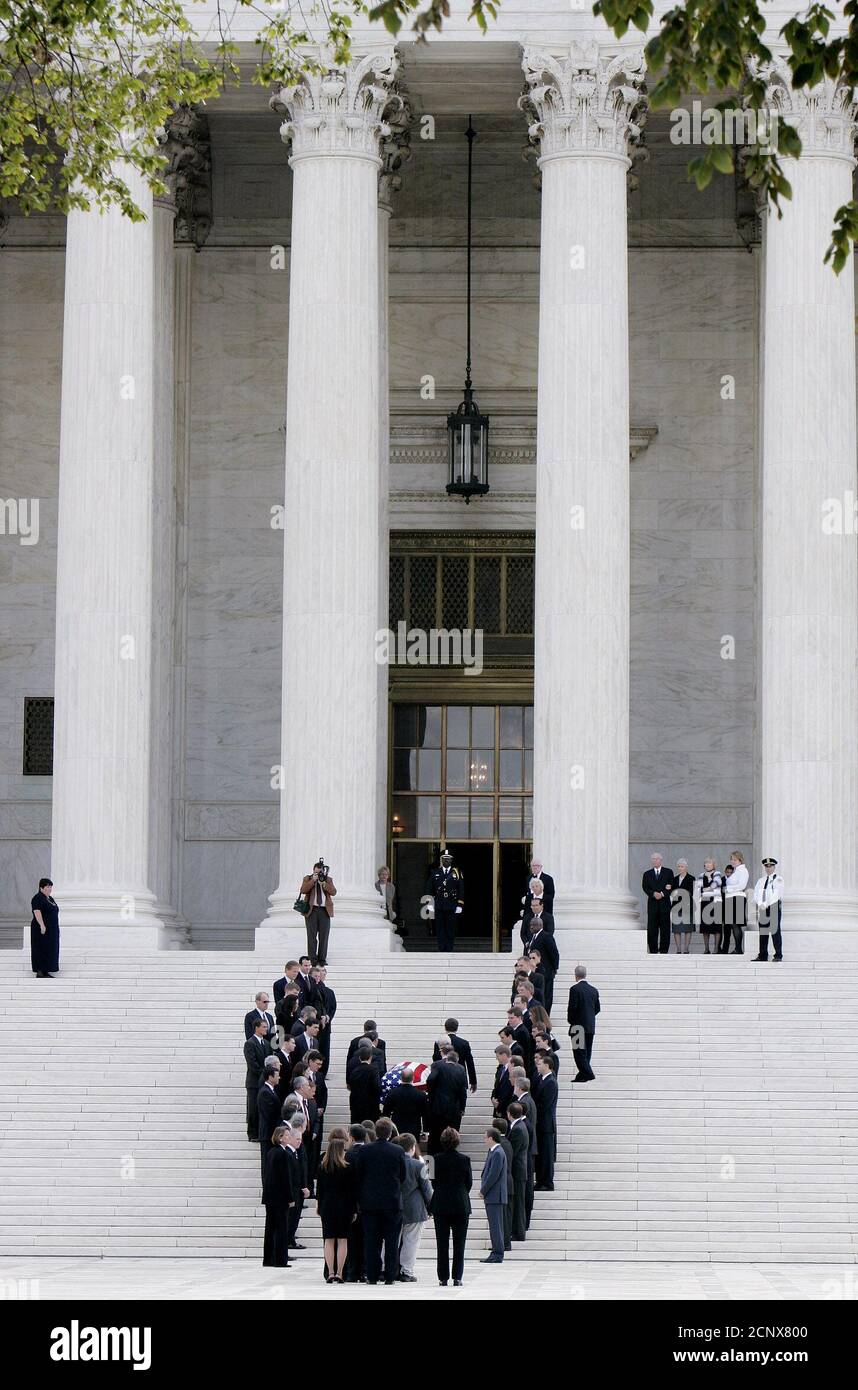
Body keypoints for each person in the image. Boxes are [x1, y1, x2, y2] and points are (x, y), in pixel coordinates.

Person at [351, 1116, 407, 1285]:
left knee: (371, 1241)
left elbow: (358, 1175)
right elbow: (402, 1176)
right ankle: (390, 1276)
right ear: (390, 1133)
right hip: (392, 1202)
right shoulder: (398, 1151)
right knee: (391, 1242)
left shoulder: (365, 1150)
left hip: (370, 1203)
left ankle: (373, 1275)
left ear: (375, 1132)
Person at [431, 1127, 472, 1286]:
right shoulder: (465, 1159)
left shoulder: (434, 1159)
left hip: (441, 1203)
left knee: (442, 1243)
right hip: (460, 1203)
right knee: (459, 1243)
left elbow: (433, 1182)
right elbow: (468, 1183)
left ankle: (443, 1277)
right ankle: (457, 1277)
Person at [316, 1128, 357, 1283]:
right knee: (342, 1240)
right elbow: (352, 1191)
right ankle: (340, 1272)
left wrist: (319, 1206)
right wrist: (354, 1209)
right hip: (344, 1207)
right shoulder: (348, 1167)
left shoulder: (322, 1166)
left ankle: (330, 1272)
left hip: (327, 1206)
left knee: (328, 1240)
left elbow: (319, 1190)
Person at [394, 1133, 433, 1281]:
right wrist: (431, 1207)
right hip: (414, 1209)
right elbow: (427, 1189)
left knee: (391, 1240)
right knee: (411, 1241)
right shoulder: (419, 1165)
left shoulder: (393, 1163)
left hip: (394, 1207)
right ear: (412, 1148)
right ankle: (407, 1271)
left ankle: (386, 1268)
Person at [262, 1125, 295, 1267]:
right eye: (287, 1135)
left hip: (270, 1196)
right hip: (280, 1197)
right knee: (281, 1228)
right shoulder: (283, 1154)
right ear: (280, 1137)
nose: (289, 1137)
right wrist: (290, 1198)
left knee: (270, 1228)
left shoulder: (271, 1152)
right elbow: (285, 1178)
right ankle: (281, 1260)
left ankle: (268, 1258)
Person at [426, 1047, 468, 1154]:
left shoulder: (437, 1065)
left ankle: (432, 1162)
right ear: (456, 1060)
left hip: (438, 1107)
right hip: (454, 1109)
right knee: (451, 1138)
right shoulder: (461, 1069)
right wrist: (462, 1108)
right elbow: (463, 1092)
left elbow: (430, 1080)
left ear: (446, 1058)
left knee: (435, 1136)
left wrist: (431, 1095)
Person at [299, 859, 337, 966]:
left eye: (320, 872)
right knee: (311, 936)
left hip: (325, 910)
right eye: (316, 872)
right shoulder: (308, 878)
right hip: (312, 910)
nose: (318, 874)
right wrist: (313, 881)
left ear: (323, 871)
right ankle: (313, 959)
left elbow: (333, 892)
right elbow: (303, 890)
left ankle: (322, 959)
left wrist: (323, 884)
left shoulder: (328, 879)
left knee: (324, 936)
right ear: (313, 870)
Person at [425, 849, 464, 952]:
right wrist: (429, 902)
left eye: (448, 859)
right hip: (439, 904)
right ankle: (442, 948)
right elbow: (429, 888)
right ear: (441, 860)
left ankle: (449, 948)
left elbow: (461, 889)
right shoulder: (435, 872)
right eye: (444, 859)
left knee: (450, 928)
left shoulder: (456, 873)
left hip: (452, 904)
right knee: (440, 928)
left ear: (451, 860)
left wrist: (460, 904)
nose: (446, 861)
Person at [567, 964, 600, 1082]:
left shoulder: (574, 989)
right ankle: (583, 1074)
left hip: (578, 1026)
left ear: (576, 976)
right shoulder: (593, 990)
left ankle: (588, 1073)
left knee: (579, 1052)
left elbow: (572, 1007)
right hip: (590, 1026)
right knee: (587, 1052)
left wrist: (571, 1020)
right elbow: (597, 1008)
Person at [479, 1128, 508, 1263]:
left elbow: (493, 1175)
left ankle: (497, 1253)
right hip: (494, 1195)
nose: (484, 1140)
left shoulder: (497, 1153)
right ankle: (496, 1251)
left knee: (495, 1225)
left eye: (485, 1137)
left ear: (491, 1138)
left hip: (495, 1195)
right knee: (495, 1224)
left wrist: (483, 1190)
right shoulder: (494, 1151)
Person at [512, 1073, 537, 1227]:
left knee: (524, 1193)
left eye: (515, 1085)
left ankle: (523, 1223)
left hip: (525, 1154)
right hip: (527, 1152)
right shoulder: (526, 1101)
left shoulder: (525, 1103)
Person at [525, 907, 559, 1011]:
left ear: (540, 925)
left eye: (533, 925)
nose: (530, 927)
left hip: (546, 971)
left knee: (547, 995)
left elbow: (554, 953)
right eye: (530, 925)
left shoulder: (546, 937)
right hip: (536, 971)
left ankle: (545, 1015)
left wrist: (554, 969)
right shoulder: (533, 937)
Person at [284, 1116, 311, 1250]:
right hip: (294, 1190)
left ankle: (290, 1240)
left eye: (300, 1140)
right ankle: (288, 1240)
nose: (299, 1142)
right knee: (291, 1217)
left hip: (297, 1189)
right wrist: (303, 1186)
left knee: (295, 1217)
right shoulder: (289, 1153)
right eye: (297, 1140)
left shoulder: (295, 1150)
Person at [243, 1017, 271, 1141]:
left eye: (266, 1027)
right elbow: (252, 1064)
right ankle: (252, 1133)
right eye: (264, 1027)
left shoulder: (266, 1043)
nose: (266, 1029)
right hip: (254, 1082)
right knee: (253, 1108)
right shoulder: (250, 1043)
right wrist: (265, 1074)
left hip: (264, 1081)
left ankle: (260, 1132)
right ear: (257, 1027)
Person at [533, 1054, 558, 1190]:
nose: (537, 1065)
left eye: (540, 1064)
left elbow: (544, 1104)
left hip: (546, 1125)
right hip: (541, 1125)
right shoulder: (542, 1079)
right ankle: (541, 1181)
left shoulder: (550, 1082)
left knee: (546, 1155)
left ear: (547, 1065)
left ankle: (547, 1182)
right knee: (541, 1155)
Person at [432, 1018, 477, 1092]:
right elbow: (470, 1063)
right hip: (459, 1077)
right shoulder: (464, 1043)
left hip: (443, 1078)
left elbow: (435, 1060)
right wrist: (473, 1082)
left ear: (445, 1027)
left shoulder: (439, 1042)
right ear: (457, 1028)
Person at [383, 1068, 429, 1139]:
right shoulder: (421, 1095)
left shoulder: (392, 1093)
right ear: (413, 1078)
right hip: (414, 1129)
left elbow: (386, 1112)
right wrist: (425, 1131)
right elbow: (425, 1114)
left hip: (397, 1128)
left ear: (401, 1078)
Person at [642, 853, 674, 954]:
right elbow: (645, 887)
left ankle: (664, 950)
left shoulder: (668, 872)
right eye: (653, 859)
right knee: (652, 928)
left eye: (657, 859)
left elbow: (671, 886)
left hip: (664, 905)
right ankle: (653, 950)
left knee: (665, 928)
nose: (655, 861)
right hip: (652, 905)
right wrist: (653, 894)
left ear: (661, 860)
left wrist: (662, 894)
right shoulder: (647, 874)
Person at [754, 857, 784, 961]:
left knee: (775, 932)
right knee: (763, 932)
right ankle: (762, 955)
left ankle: (778, 955)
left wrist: (766, 904)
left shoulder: (778, 879)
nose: (768, 868)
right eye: (766, 866)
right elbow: (756, 894)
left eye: (770, 866)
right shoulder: (761, 880)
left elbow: (777, 894)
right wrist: (760, 904)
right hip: (763, 908)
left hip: (774, 907)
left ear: (774, 866)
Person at [506, 1102, 529, 1241]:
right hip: (519, 1170)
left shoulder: (518, 1129)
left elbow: (512, 1151)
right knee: (518, 1201)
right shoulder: (518, 1126)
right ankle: (517, 1230)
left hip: (518, 1171)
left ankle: (519, 1232)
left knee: (519, 1203)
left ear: (509, 1114)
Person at [257, 1057, 283, 1177]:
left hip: (271, 1133)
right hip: (268, 1134)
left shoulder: (271, 1090)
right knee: (267, 1164)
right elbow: (269, 1115)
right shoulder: (265, 1092)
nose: (279, 1077)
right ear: (270, 1077)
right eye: (277, 1075)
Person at [493, 1118, 515, 1252]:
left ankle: (505, 1243)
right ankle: (502, 1242)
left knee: (504, 1217)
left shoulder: (502, 1145)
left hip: (504, 1184)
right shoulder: (505, 1143)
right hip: (506, 1183)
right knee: (503, 1216)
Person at [30, 877, 60, 978]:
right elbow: (37, 911)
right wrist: (42, 925)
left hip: (52, 929)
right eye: (48, 886)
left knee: (50, 949)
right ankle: (40, 971)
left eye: (51, 886)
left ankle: (46, 970)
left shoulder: (50, 899)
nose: (50, 888)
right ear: (41, 888)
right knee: (41, 948)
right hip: (41, 929)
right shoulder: (37, 898)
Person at [695, 859, 723, 954]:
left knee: (717, 926)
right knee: (705, 927)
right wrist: (707, 888)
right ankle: (706, 948)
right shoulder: (701, 875)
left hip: (716, 902)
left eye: (710, 863)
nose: (707, 864)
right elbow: (699, 887)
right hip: (705, 902)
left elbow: (717, 883)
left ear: (714, 865)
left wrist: (708, 887)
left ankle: (716, 948)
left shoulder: (717, 873)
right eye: (706, 863)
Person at [723, 851, 749, 954]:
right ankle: (737, 948)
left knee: (735, 924)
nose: (732, 861)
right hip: (731, 898)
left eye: (734, 859)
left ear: (740, 860)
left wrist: (728, 888)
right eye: (731, 859)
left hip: (737, 898)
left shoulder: (743, 870)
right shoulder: (735, 871)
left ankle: (738, 948)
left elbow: (742, 886)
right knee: (733, 924)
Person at [312, 965, 336, 1074]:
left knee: (325, 1050)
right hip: (315, 1025)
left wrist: (327, 1017)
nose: (321, 974)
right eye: (318, 972)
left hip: (326, 1025)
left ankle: (323, 1071)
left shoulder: (329, 992)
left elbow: (332, 1008)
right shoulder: (311, 989)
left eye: (322, 972)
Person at [348, 1045, 382, 1124]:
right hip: (371, 1106)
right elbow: (377, 1087)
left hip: (356, 1106)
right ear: (370, 1057)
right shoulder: (373, 1070)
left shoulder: (355, 1071)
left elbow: (351, 1085)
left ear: (359, 1058)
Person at [671, 858, 695, 954]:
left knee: (687, 928)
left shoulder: (691, 878)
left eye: (682, 866)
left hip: (687, 906)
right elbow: (672, 892)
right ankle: (678, 948)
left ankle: (686, 948)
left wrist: (678, 892)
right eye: (679, 866)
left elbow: (690, 892)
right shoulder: (675, 878)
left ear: (686, 867)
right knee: (676, 928)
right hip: (676, 905)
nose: (680, 868)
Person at [491, 1045, 514, 1118]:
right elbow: (496, 1087)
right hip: (498, 1108)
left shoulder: (513, 1070)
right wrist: (493, 1099)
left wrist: (500, 1106)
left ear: (504, 1055)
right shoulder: (500, 1070)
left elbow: (509, 1091)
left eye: (497, 1056)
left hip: (507, 1109)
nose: (496, 1058)